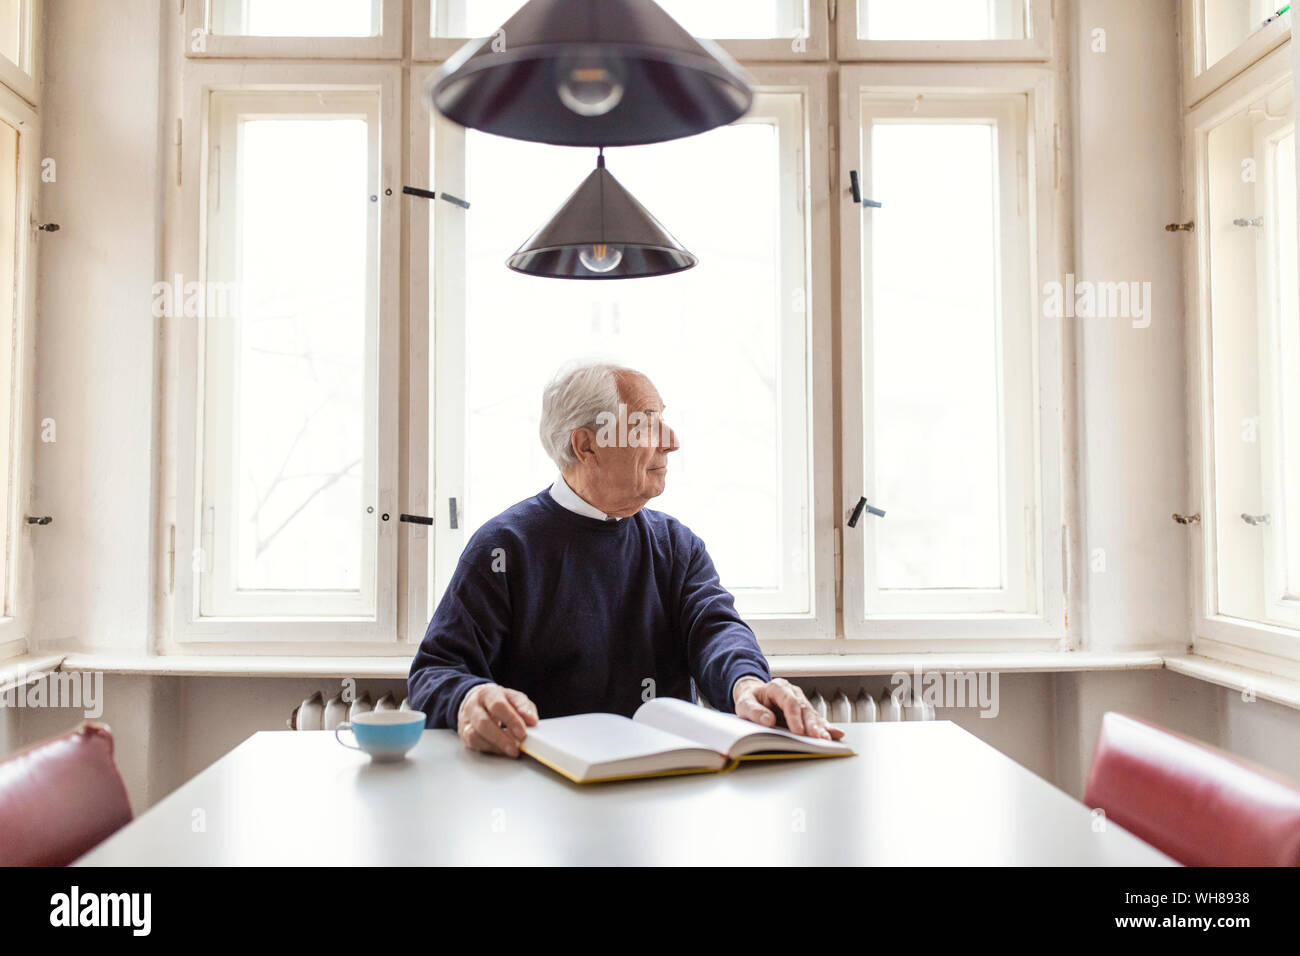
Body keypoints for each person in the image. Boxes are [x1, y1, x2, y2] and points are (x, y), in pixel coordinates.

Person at [408, 362, 844, 757]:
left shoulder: (677, 545)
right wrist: (469, 698)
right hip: (540, 793)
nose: (672, 442)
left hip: (665, 783)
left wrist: (746, 682)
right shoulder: (503, 548)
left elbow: (715, 630)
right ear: (587, 445)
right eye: (648, 425)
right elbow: (436, 671)